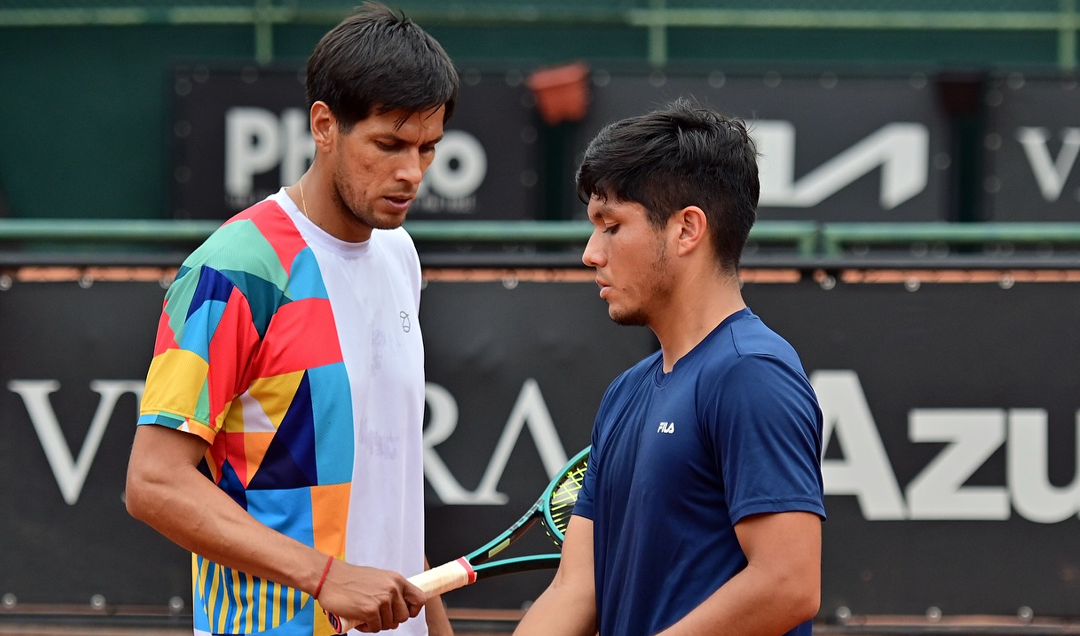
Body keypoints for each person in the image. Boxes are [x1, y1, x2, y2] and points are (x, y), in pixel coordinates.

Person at [125, 4, 458, 635]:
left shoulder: (399, 254)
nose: (412, 172)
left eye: (428, 148)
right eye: (388, 144)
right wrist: (327, 577)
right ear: (324, 126)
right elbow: (154, 482)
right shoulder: (234, 269)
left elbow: (390, 497)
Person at [513, 98, 825, 636]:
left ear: (686, 230)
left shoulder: (752, 373)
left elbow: (787, 584)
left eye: (611, 226)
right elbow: (576, 589)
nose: (591, 252)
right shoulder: (625, 394)